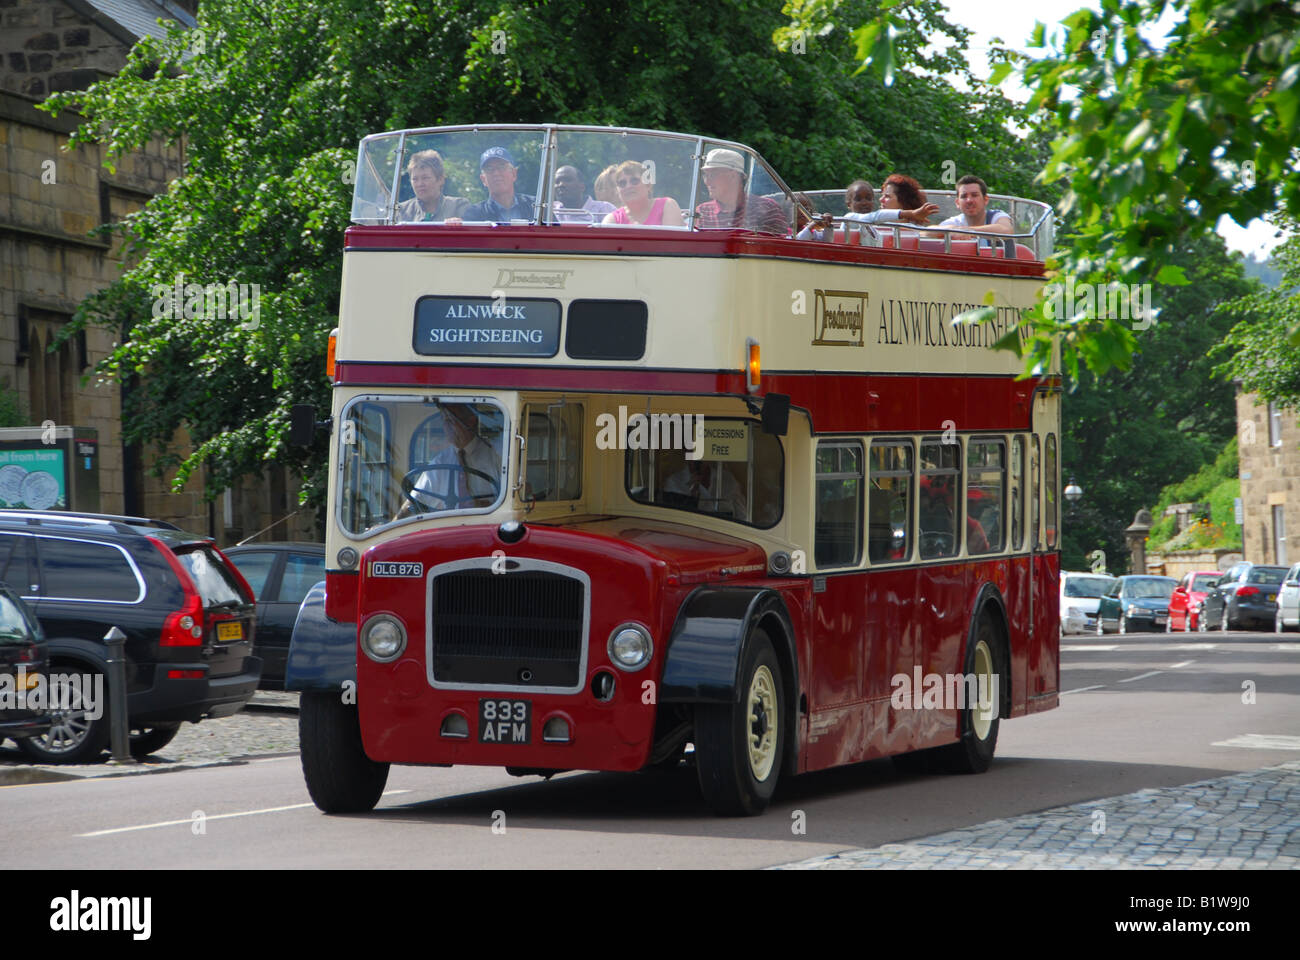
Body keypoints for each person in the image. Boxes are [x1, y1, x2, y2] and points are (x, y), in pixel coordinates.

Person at [398, 404, 501, 517]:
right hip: (448, 527)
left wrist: (491, 505)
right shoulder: (440, 462)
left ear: (471, 421)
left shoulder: (495, 457)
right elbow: (415, 501)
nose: (446, 427)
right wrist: (392, 526)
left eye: (451, 420)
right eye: (444, 420)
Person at [800, 179, 938, 242]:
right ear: (849, 204)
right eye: (858, 199)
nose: (864, 203)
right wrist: (911, 213)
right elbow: (873, 217)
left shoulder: (883, 227)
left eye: (869, 198)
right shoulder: (850, 219)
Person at [694, 148, 789, 235]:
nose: (707, 182)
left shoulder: (767, 208)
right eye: (706, 175)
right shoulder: (702, 212)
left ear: (733, 176)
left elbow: (777, 249)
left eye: (713, 175)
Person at [929, 174, 1013, 243]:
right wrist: (950, 230)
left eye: (974, 195)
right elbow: (925, 232)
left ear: (985, 200)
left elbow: (1006, 230)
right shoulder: (955, 222)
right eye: (964, 196)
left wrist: (966, 231)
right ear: (957, 203)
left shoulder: (996, 216)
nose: (969, 200)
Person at [462, 147, 537, 222]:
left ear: (514, 174)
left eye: (502, 167)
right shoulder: (474, 214)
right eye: (489, 169)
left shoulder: (536, 206)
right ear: (483, 179)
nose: (496, 173)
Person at [602, 160, 685, 226]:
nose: (628, 186)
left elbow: (673, 244)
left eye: (634, 181)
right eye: (622, 183)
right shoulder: (612, 219)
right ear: (617, 190)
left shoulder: (667, 205)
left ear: (648, 185)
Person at [395, 150, 470, 222]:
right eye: (415, 179)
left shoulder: (459, 206)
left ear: (441, 179)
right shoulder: (401, 211)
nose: (420, 184)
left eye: (425, 178)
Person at [664, 458, 748, 519]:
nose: (697, 458)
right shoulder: (674, 483)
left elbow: (742, 515)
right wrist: (691, 497)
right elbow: (672, 520)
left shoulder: (727, 479)